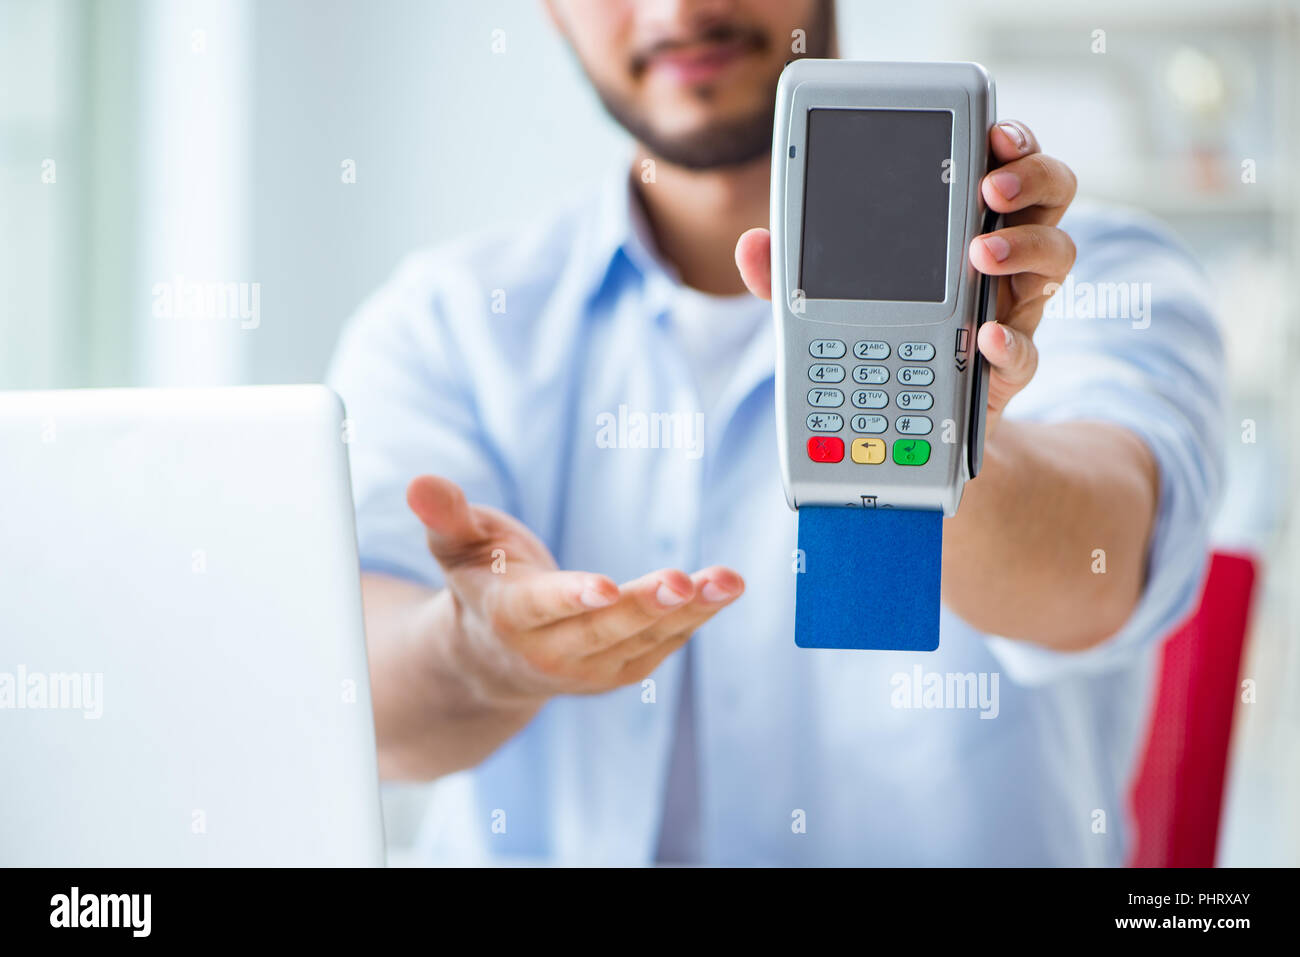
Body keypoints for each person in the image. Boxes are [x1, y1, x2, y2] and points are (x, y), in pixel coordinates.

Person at [327, 0, 1224, 865]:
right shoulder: (446, 320)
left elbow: (1110, 566)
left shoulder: (1083, 272)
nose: (679, 7)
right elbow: (358, 697)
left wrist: (947, 438)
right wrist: (477, 653)